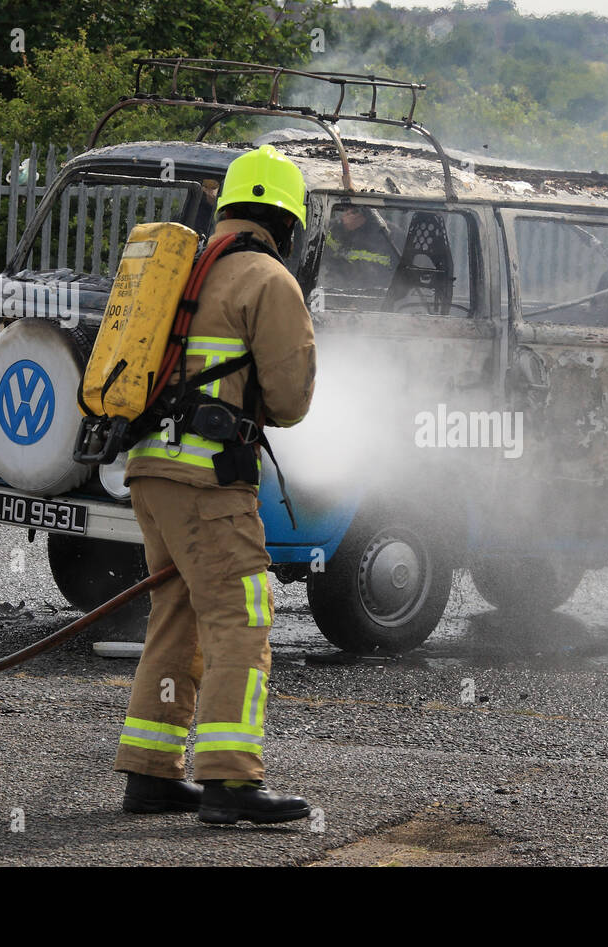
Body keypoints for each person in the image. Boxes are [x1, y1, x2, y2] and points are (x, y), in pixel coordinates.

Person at [113, 145, 318, 824]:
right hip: (208, 483)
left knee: (177, 612)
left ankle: (151, 773)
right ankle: (231, 782)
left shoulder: (181, 269)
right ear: (285, 223)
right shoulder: (267, 278)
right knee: (243, 617)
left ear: (227, 207)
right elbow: (290, 400)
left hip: (150, 472)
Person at [322, 202, 397, 292]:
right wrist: (342, 228)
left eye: (355, 211)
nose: (348, 213)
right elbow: (319, 255)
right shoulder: (332, 229)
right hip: (330, 293)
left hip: (371, 299)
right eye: (346, 209)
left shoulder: (390, 236)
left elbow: (398, 279)